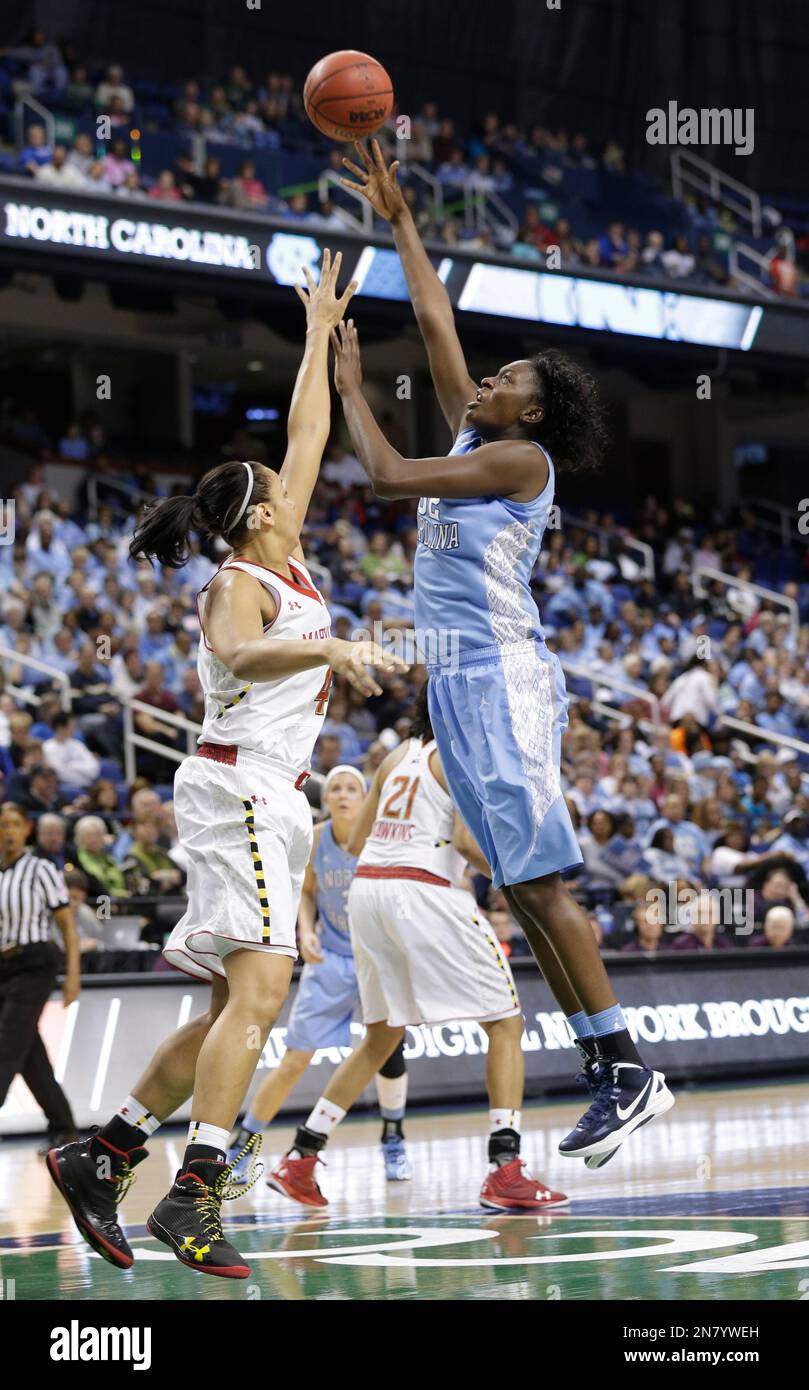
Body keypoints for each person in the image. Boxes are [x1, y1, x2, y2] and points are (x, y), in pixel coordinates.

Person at [47, 249, 407, 1281]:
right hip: (242, 786)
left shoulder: (280, 548)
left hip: (259, 795)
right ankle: (193, 1191)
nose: (305, 484)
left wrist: (313, 336)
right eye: (283, 492)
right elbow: (247, 653)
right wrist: (334, 647)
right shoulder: (235, 581)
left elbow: (307, 430)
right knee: (264, 993)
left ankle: (102, 1149)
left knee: (227, 1009)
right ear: (257, 513)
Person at [331, 140, 674, 1170]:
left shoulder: (516, 459)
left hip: (503, 678)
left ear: (532, 411)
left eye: (505, 379)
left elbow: (387, 473)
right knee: (521, 888)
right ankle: (605, 1067)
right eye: (489, 375)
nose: (483, 380)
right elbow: (439, 326)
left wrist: (349, 383)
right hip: (458, 687)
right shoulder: (481, 444)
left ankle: (629, 1064)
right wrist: (399, 220)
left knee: (548, 884)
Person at [268, 689, 568, 1211]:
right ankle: (505, 1169)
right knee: (506, 1024)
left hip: (370, 890)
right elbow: (468, 843)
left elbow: (358, 842)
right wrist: (515, 870)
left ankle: (302, 1156)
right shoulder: (460, 755)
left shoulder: (392, 759)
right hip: (423, 888)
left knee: (381, 1038)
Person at [228, 765, 413, 1186]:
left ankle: (393, 1138)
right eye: (336, 789)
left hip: (378, 958)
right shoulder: (315, 838)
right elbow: (307, 893)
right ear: (325, 799)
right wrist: (305, 930)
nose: (344, 795)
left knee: (388, 1053)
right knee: (294, 1058)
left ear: (367, 797)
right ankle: (246, 1141)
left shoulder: (381, 840)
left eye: (353, 788)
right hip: (330, 957)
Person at [0, 803, 79, 1151]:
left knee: (6, 1043)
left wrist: (73, 974)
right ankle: (64, 1129)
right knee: (29, 1053)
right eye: (3, 825)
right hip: (3, 966)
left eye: (16, 824)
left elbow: (67, 925)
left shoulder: (40, 869)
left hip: (36, 962)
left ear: (26, 829)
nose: (9, 831)